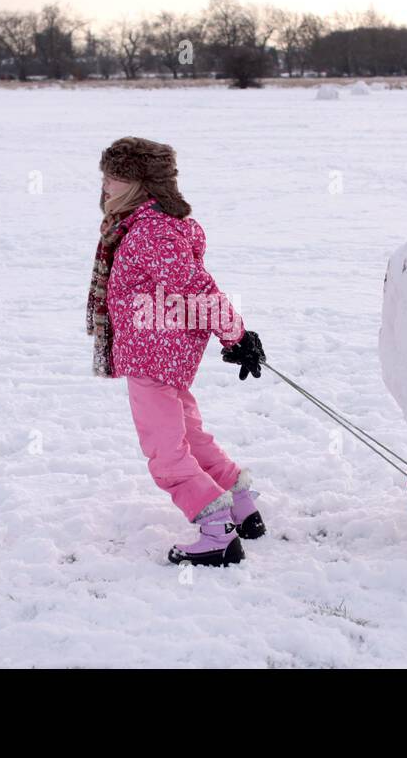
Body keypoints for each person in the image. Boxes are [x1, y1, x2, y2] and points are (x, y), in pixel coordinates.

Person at [85, 136, 267, 567]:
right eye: (106, 175)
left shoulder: (151, 231)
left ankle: (216, 530)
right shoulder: (149, 223)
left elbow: (195, 288)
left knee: (165, 453)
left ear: (140, 182)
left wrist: (236, 335)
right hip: (162, 353)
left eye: (115, 177)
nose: (106, 185)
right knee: (188, 436)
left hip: (153, 355)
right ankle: (241, 503)